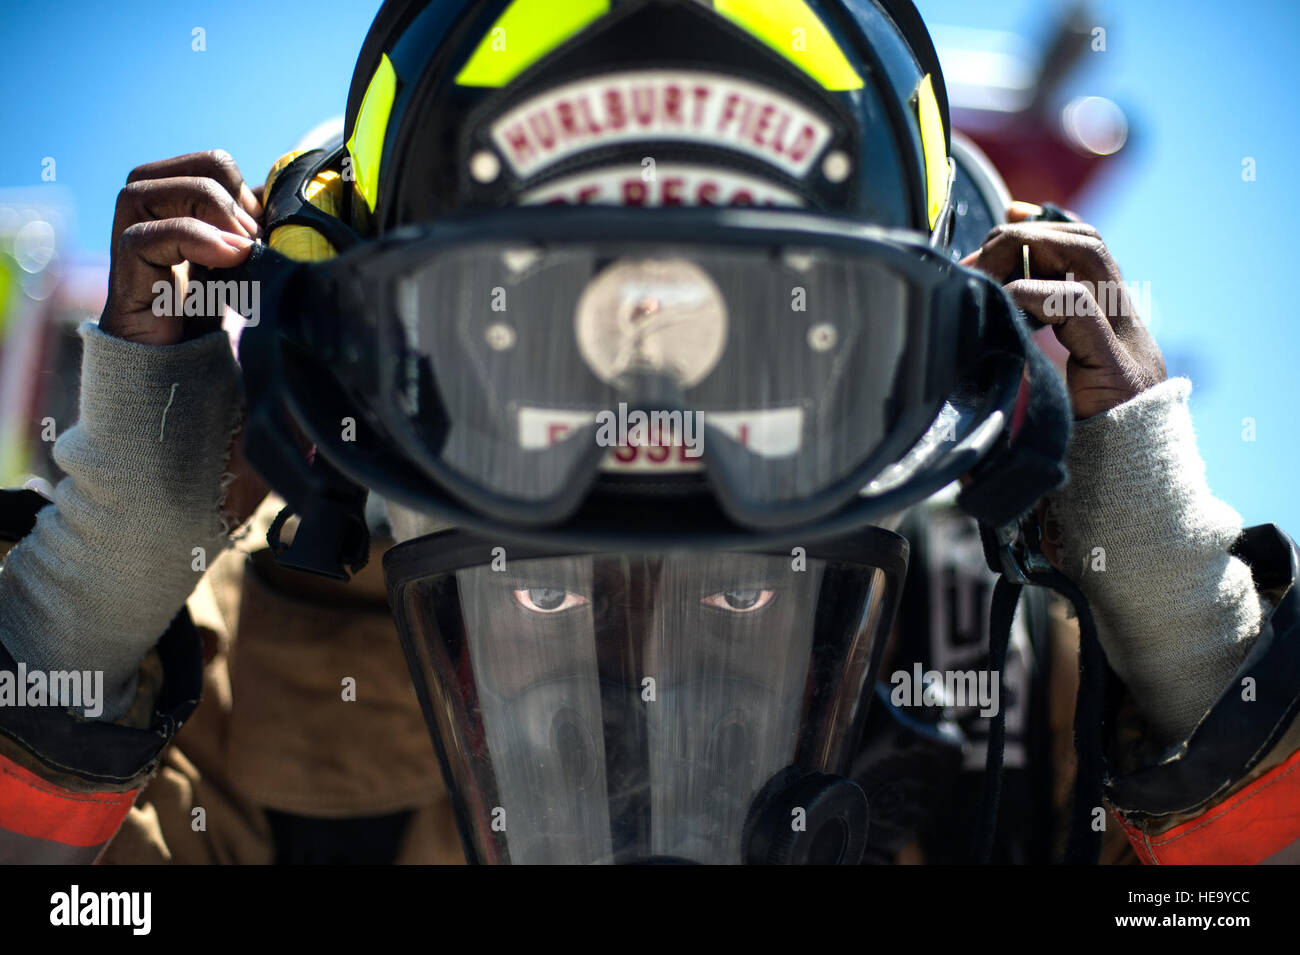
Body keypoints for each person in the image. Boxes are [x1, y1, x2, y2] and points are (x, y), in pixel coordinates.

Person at [1, 0, 1297, 865]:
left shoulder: (1026, 691)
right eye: (541, 333)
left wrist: (1176, 604)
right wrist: (102, 580)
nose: (649, 409)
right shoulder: (246, 674)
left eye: (759, 336)